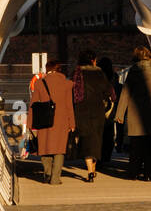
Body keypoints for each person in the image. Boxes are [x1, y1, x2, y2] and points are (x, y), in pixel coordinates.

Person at [114, 45, 151, 180]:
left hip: (136, 113)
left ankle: (133, 172)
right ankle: (148, 174)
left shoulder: (133, 71)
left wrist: (120, 114)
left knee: (136, 146)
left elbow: (125, 93)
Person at [26, 59, 75, 185]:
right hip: (62, 121)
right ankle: (55, 178)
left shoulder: (39, 84)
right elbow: (69, 105)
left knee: (45, 146)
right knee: (59, 150)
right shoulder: (66, 84)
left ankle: (47, 173)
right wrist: (72, 123)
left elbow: (34, 105)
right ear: (59, 69)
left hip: (44, 119)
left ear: (47, 70)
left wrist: (30, 122)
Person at [72, 50, 114, 182]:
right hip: (97, 110)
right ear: (92, 60)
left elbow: (74, 92)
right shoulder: (99, 72)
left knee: (86, 140)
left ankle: (90, 170)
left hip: (81, 110)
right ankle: (93, 168)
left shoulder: (77, 73)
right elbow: (109, 91)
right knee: (96, 139)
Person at [97, 56, 120, 169]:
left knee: (99, 132)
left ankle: (99, 157)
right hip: (111, 106)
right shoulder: (114, 76)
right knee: (109, 132)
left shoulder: (98, 76)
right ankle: (106, 156)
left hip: (99, 105)